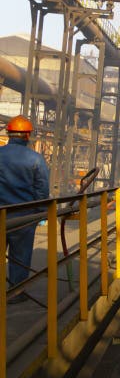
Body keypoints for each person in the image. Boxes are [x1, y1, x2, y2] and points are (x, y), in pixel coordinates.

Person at [0, 116, 50, 303]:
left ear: (8, 133)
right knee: (20, 256)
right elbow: (42, 189)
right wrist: (41, 212)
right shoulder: (35, 159)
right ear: (28, 135)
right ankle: (15, 293)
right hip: (24, 218)